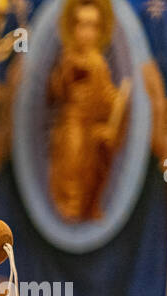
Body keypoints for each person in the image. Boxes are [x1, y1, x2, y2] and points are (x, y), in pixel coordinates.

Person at [47, 0, 130, 222]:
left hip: (91, 130)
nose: (86, 32)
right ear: (73, 28)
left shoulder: (98, 63)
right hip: (72, 126)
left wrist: (116, 102)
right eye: (82, 25)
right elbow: (55, 92)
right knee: (71, 170)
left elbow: (106, 97)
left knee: (91, 173)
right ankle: (68, 209)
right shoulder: (68, 58)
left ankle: (85, 208)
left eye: (92, 26)